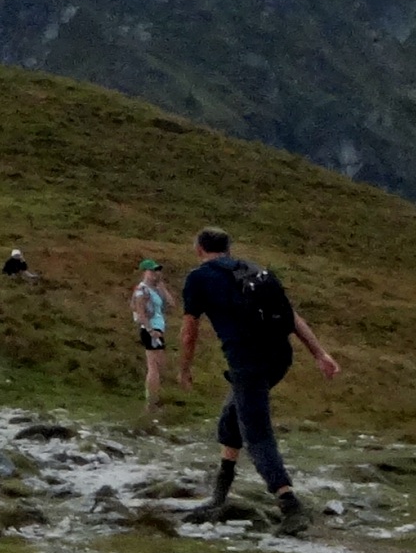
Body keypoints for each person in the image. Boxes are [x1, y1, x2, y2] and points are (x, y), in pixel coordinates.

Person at [176, 228, 346, 533]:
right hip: (279, 357)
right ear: (229, 249)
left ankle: (291, 506)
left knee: (256, 434)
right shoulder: (254, 271)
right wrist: (320, 354)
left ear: (199, 249)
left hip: (247, 362)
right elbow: (291, 316)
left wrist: (184, 369)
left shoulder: (199, 278)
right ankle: (219, 496)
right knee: (231, 418)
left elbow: (189, 332)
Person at [130, 258, 179, 426]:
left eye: (157, 271)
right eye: (152, 271)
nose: (155, 274)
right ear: (145, 272)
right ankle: (151, 404)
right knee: (154, 366)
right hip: (151, 330)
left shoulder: (155, 289)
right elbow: (140, 311)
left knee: (159, 365)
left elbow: (172, 304)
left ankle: (154, 401)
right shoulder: (141, 290)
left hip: (158, 329)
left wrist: (163, 288)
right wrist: (150, 330)